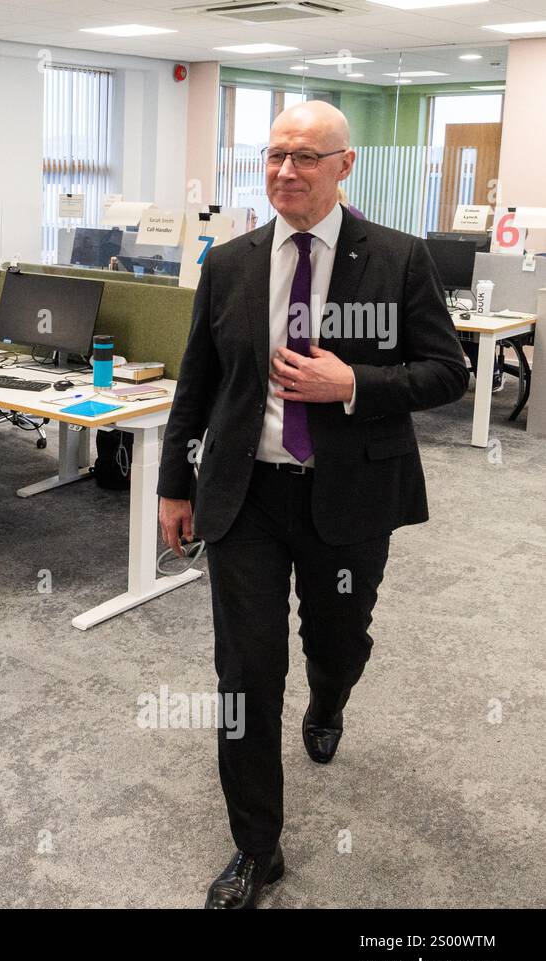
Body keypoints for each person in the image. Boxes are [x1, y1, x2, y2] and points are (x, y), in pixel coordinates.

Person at [157, 101, 468, 909]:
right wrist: (171, 485)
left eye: (304, 156)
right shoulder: (230, 263)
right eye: (274, 155)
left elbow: (448, 372)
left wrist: (354, 383)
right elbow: (198, 382)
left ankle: (330, 698)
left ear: (344, 165)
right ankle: (257, 849)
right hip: (247, 494)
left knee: (337, 638)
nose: (285, 171)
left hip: (350, 493)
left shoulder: (398, 259)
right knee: (246, 671)